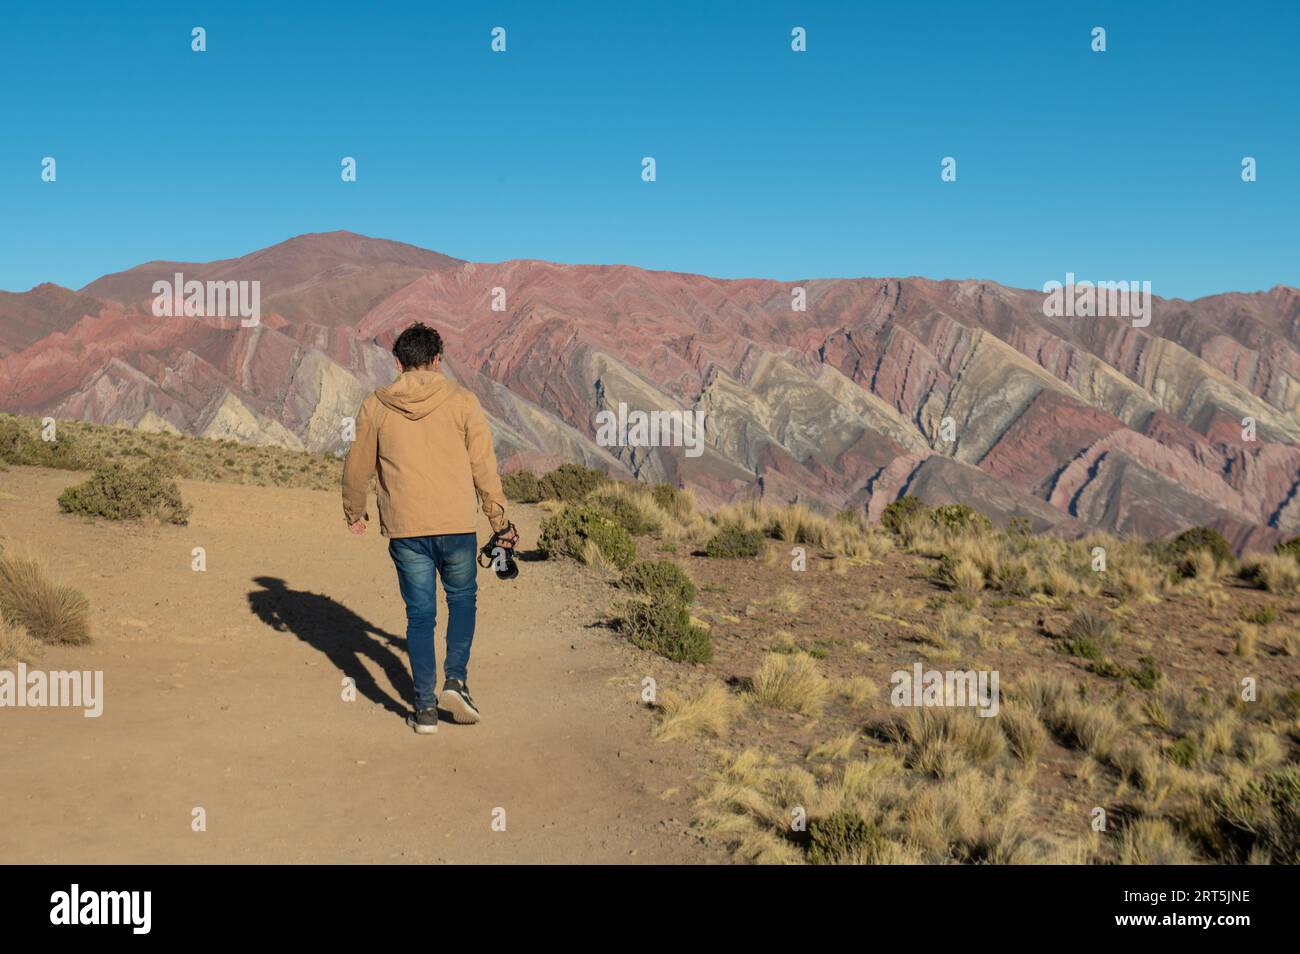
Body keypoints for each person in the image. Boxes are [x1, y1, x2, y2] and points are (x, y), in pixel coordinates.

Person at [342, 322, 518, 733]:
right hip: (456, 525)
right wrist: (500, 520)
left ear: (398, 362)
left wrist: (355, 512)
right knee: (462, 601)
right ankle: (455, 680)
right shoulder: (463, 401)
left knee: (420, 617)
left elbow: (357, 465)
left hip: (406, 530)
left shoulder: (377, 405)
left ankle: (423, 709)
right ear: (437, 360)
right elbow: (483, 467)